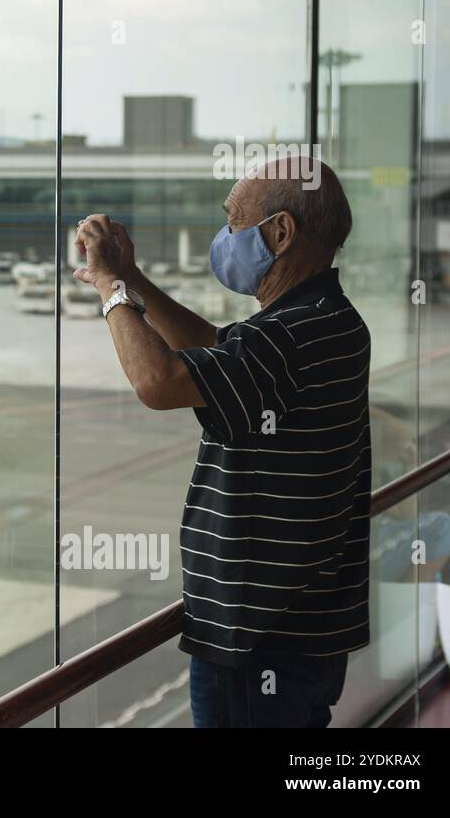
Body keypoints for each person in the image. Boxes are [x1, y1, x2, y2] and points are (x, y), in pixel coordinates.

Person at [75, 156, 369, 728]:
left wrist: (110, 289)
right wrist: (134, 280)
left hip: (260, 641)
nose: (225, 237)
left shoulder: (288, 335)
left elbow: (159, 382)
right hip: (308, 628)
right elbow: (210, 346)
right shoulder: (325, 319)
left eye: (235, 222)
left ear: (280, 233)